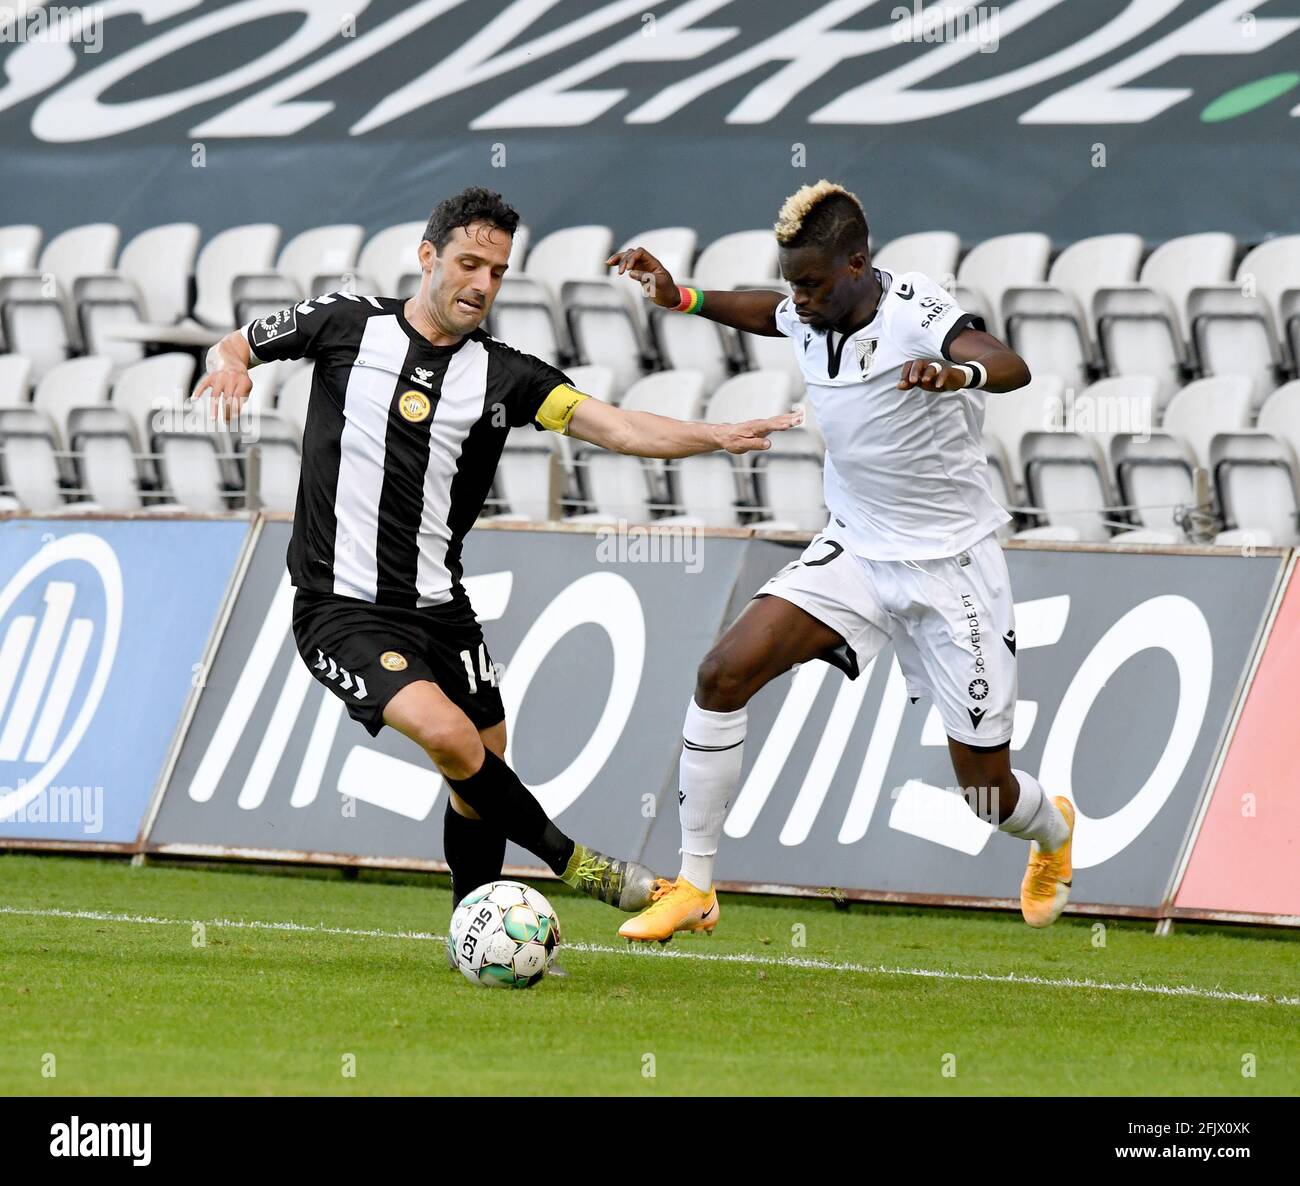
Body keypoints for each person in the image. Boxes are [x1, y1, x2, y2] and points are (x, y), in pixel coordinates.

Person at [194, 186, 797, 918]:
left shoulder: (506, 376)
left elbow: (621, 430)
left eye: (499, 272)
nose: (482, 285)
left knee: (480, 770)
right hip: (340, 609)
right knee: (450, 738)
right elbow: (235, 343)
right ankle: (580, 867)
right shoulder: (344, 323)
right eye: (469, 264)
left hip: (442, 613)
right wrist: (233, 367)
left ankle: (471, 923)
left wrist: (717, 436)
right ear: (428, 256)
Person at [612, 180, 1074, 942]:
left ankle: (1052, 832)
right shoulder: (805, 306)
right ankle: (695, 883)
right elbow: (770, 312)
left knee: (984, 794)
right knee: (723, 673)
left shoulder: (915, 313)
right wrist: (682, 296)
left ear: (859, 263)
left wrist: (956, 373)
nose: (799, 299)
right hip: (857, 549)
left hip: (948, 567)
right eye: (792, 282)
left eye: (814, 283)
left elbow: (1008, 361)